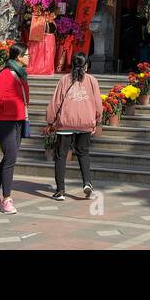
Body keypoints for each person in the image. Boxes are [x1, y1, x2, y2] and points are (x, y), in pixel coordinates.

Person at [45, 52, 103, 201]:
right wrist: (97, 120)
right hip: (85, 122)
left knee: (61, 155)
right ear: (87, 65)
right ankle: (87, 182)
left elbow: (55, 102)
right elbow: (98, 104)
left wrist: (50, 121)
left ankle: (60, 191)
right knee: (83, 153)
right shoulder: (92, 81)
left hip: (66, 123)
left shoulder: (64, 80)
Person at [0, 43, 30, 215]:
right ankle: (7, 199)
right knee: (10, 158)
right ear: (18, 57)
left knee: (8, 159)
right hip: (5, 122)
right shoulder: (6, 75)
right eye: (27, 54)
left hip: (18, 120)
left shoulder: (20, 73)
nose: (29, 57)